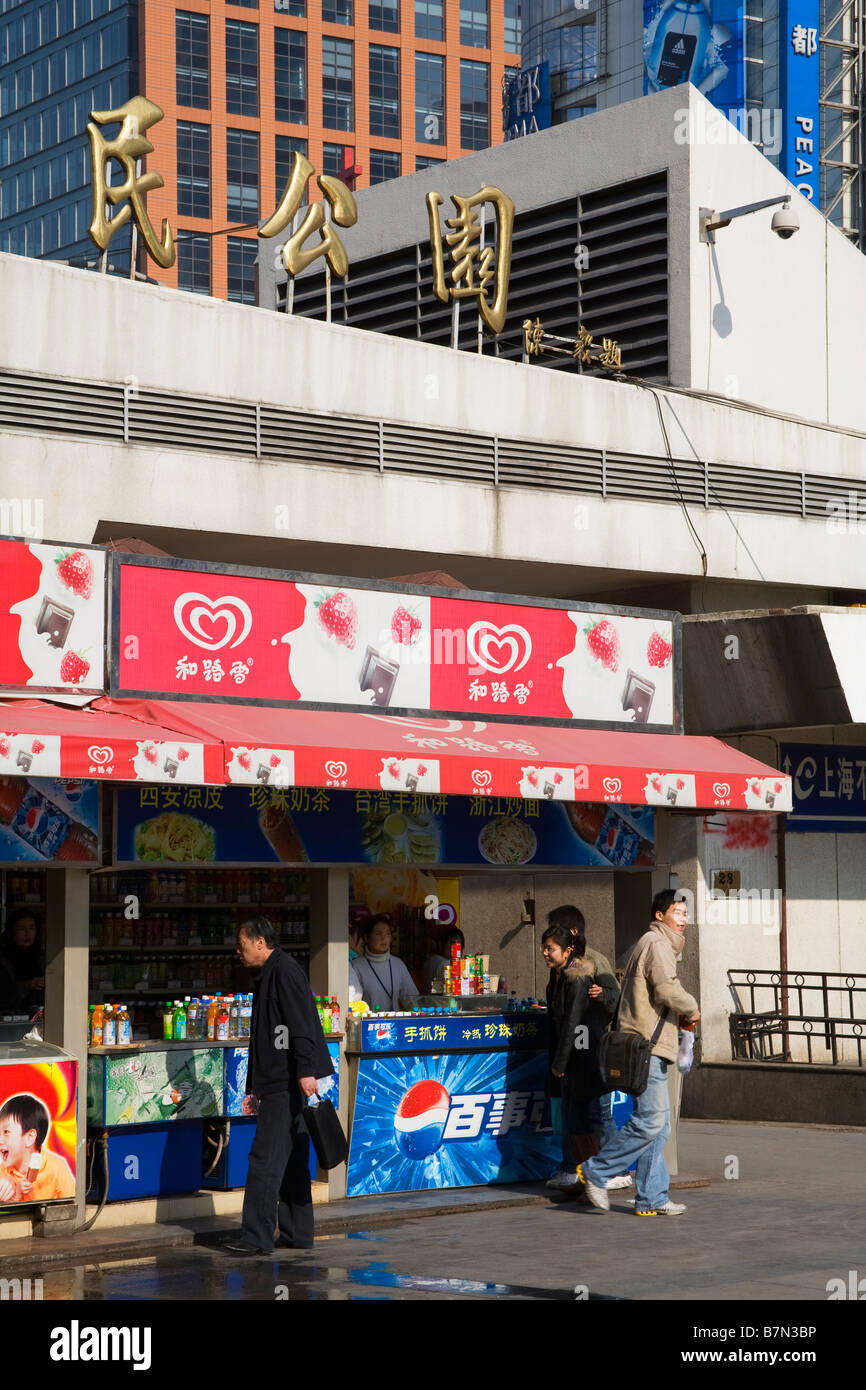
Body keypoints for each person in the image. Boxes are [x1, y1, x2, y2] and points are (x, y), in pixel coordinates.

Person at [582, 890, 701, 1217]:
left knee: (659, 1127)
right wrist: (692, 1006)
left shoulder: (654, 943)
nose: (683, 919)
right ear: (660, 916)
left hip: (648, 1046)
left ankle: (652, 1196)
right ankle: (598, 1170)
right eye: (676, 912)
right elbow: (666, 989)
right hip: (646, 1046)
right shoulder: (657, 943)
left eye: (685, 914)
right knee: (650, 1121)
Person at [223, 917, 333, 1256]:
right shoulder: (271, 972)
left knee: (264, 1159)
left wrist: (305, 1070)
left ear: (260, 942)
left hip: (286, 1082)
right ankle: (297, 1232)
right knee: (292, 1159)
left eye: (242, 945)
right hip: (281, 1080)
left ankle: (255, 1237)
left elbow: (301, 1024)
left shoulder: (284, 971)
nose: (238, 951)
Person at [543, 905, 630, 1192]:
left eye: (554, 937)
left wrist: (604, 995)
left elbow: (617, 999)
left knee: (598, 1113)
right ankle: (573, 1168)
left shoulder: (590, 963)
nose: (546, 950)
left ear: (572, 934)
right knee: (573, 1113)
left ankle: (615, 1170)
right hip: (573, 1054)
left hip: (592, 1050)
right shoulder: (560, 968)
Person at [0, 1093, 75, 1202]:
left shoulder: (57, 1167)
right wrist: (16, 1194)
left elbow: (72, 1205)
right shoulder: (4, 1172)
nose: (0, 1140)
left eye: (6, 1132)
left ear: (30, 1137)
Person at [351, 915, 419, 1011]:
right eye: (378, 934)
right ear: (366, 938)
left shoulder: (398, 964)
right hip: (368, 1020)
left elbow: (412, 999)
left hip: (394, 1020)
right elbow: (353, 1003)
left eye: (388, 934)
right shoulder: (356, 966)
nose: (384, 938)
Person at [0, 911, 45, 1011]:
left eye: (32, 928)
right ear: (12, 932)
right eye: (21, 929)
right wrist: (28, 985)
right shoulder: (4, 959)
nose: (28, 933)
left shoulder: (41, 957)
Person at [423, 928, 465, 993]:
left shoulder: (431, 960)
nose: (455, 948)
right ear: (441, 944)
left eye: (459, 945)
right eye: (452, 943)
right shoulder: (442, 963)